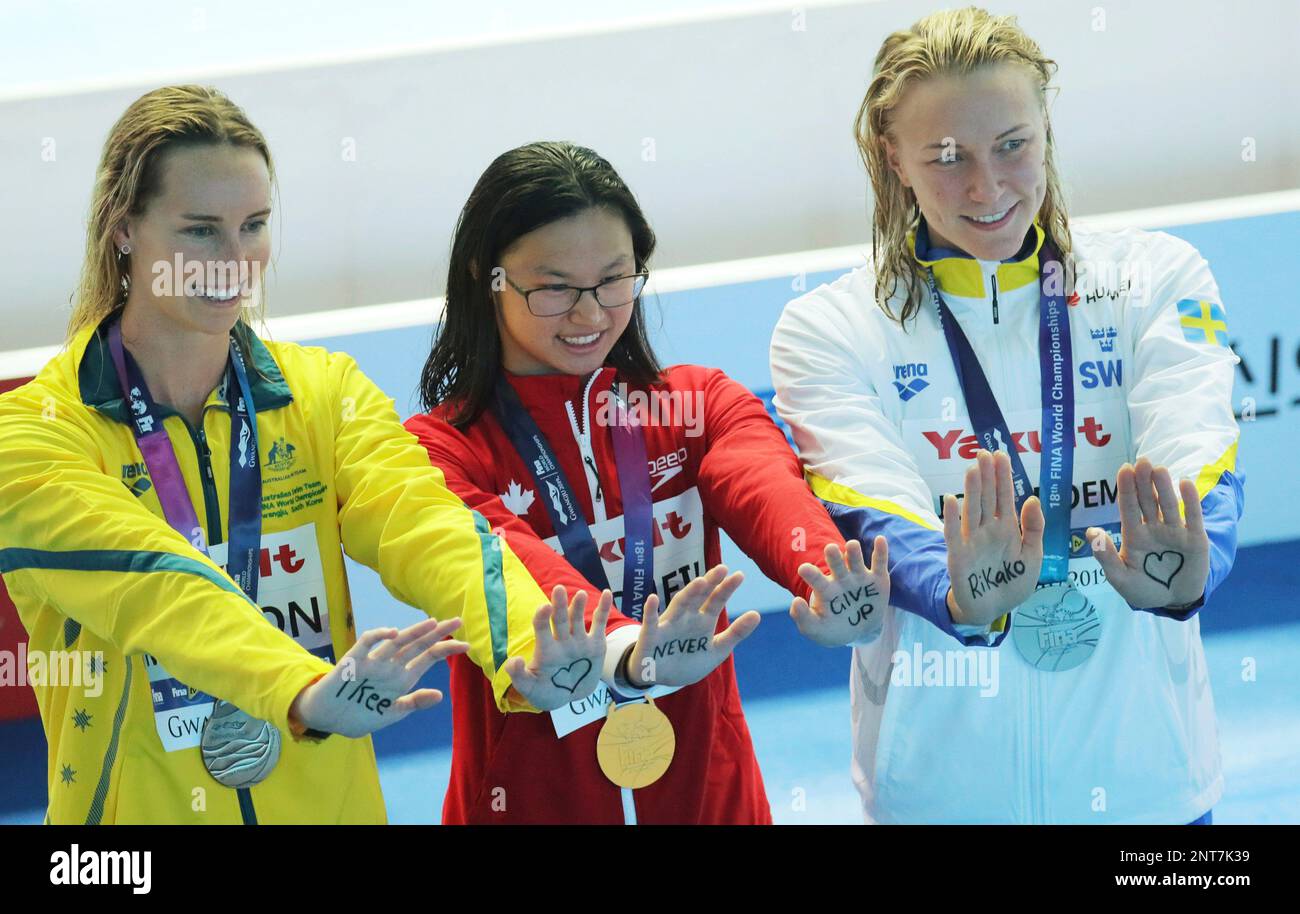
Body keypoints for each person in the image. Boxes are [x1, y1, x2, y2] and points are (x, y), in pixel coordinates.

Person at [0, 86, 617, 825]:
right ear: (123, 228)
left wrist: (525, 643)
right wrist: (300, 688)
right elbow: (156, 585)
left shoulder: (326, 394)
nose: (235, 260)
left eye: (254, 226)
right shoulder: (33, 434)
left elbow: (427, 526)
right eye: (201, 231)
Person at [769, 6, 1242, 824]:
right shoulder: (829, 327)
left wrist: (1197, 560)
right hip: (940, 797)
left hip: (1151, 793)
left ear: (1046, 130)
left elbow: (1196, 441)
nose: (987, 188)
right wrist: (960, 597)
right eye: (947, 157)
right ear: (894, 158)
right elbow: (873, 507)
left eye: (1012, 145)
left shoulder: (1158, 278)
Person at [404, 140, 890, 824]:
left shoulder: (697, 406)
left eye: (614, 279)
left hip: (710, 799)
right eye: (554, 288)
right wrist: (626, 648)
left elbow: (759, 481)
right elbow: (504, 563)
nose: (591, 313)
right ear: (488, 281)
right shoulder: (440, 449)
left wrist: (823, 573)